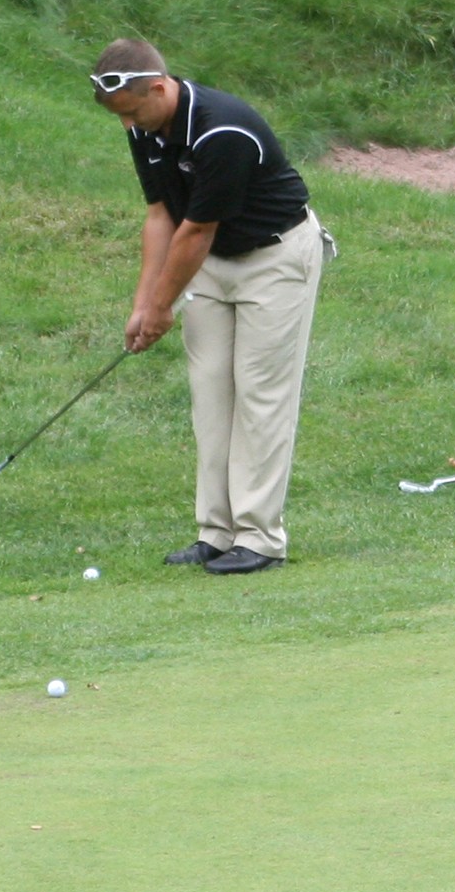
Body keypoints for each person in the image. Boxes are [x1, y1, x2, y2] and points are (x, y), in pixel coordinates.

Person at [90, 39, 331, 575]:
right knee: (211, 392)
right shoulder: (143, 127)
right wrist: (142, 305)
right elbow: (161, 215)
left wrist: (162, 307)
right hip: (210, 260)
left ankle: (260, 538)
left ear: (158, 87)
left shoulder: (222, 129)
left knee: (260, 394)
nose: (128, 126)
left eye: (131, 112)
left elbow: (196, 229)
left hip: (275, 257)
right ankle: (217, 533)